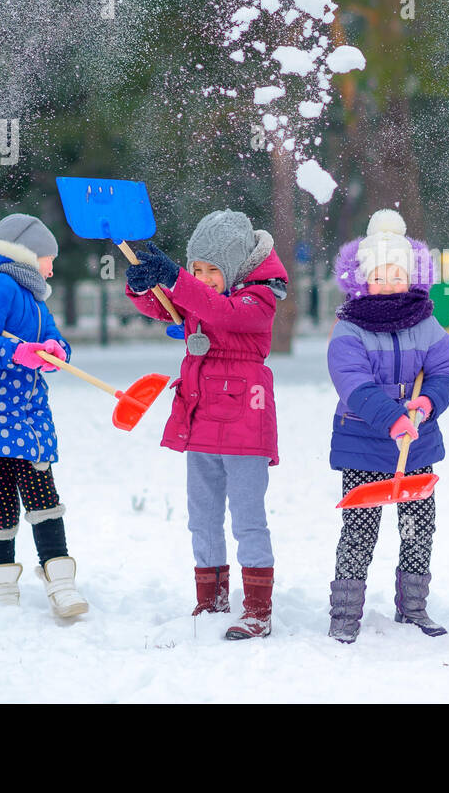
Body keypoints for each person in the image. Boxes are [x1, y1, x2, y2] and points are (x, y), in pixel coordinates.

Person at [124, 210, 288, 640]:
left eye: (212, 270)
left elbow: (221, 311)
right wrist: (142, 285)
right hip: (198, 416)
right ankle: (211, 598)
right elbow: (165, 305)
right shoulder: (198, 293)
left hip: (245, 422)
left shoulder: (259, 300)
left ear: (234, 268)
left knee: (248, 518)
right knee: (202, 515)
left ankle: (257, 608)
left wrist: (178, 279)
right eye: (197, 268)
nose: (204, 277)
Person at [325, 209, 449, 644]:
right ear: (363, 281)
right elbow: (353, 384)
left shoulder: (426, 323)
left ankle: (414, 606)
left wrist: (428, 402)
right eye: (378, 277)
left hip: (417, 445)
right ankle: (345, 612)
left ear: (410, 278)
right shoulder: (349, 328)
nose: (387, 285)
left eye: (395, 276)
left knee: (418, 527)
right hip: (363, 441)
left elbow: (446, 370)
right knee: (360, 529)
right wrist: (393, 417)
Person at [0, 213, 87, 617]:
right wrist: (16, 353)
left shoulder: (36, 298)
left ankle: (61, 581)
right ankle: (2, 587)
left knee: (43, 496)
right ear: (25, 254)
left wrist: (57, 352)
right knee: (1, 503)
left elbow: (53, 338)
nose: (52, 266)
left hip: (25, 413)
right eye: (47, 257)